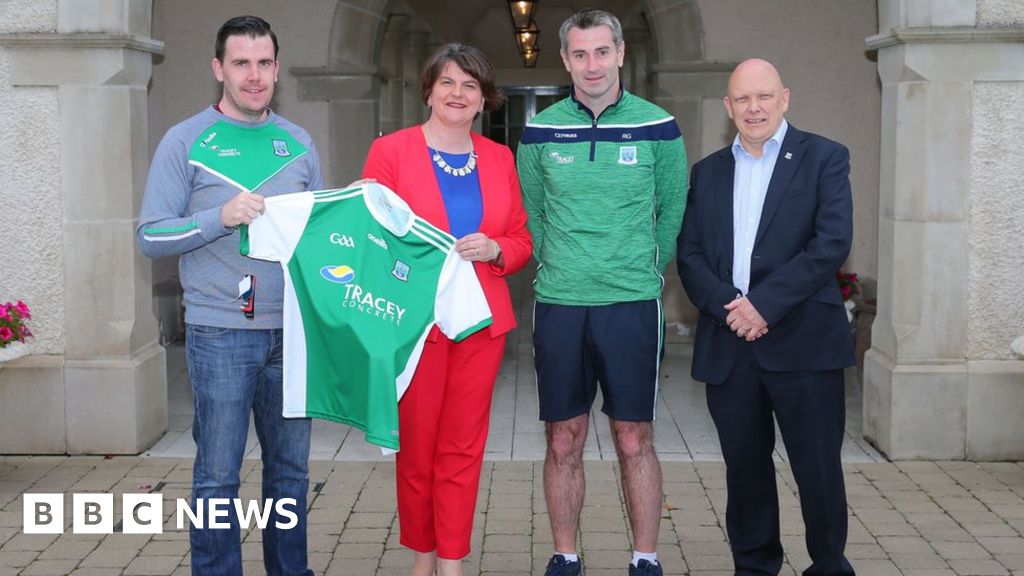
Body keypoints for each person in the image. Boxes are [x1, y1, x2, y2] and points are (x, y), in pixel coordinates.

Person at [136, 15, 322, 576]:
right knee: (218, 474)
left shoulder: (299, 143)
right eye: (241, 63)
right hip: (220, 333)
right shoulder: (186, 141)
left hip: (291, 333)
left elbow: (316, 237)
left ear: (277, 67)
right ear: (219, 68)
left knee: (289, 474)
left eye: (264, 63)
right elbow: (150, 234)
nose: (255, 75)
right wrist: (218, 216)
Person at [516, 9, 687, 576]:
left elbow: (671, 214)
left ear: (619, 53)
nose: (592, 65)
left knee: (633, 436)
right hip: (561, 304)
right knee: (562, 437)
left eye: (602, 52)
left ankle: (645, 557)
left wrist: (636, 268)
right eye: (580, 54)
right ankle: (566, 555)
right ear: (564, 60)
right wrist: (566, 263)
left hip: (632, 304)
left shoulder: (658, 126)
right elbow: (533, 214)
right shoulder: (540, 131)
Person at [677, 58, 856, 575]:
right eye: (742, 99)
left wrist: (765, 305)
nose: (753, 107)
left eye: (764, 96)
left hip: (805, 343)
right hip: (731, 346)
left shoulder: (825, 158)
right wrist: (733, 309)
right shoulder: (708, 172)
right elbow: (688, 255)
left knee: (817, 468)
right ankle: (754, 566)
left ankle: (828, 565)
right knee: (745, 469)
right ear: (728, 107)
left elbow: (831, 245)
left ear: (785, 98)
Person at [361, 43, 533, 576]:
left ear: (484, 99)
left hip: (481, 324)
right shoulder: (389, 152)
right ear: (429, 90)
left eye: (470, 86)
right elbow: (368, 237)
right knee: (416, 449)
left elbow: (523, 237)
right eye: (448, 83)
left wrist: (496, 248)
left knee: (462, 449)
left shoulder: (502, 158)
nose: (457, 94)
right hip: (414, 325)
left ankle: (453, 560)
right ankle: (422, 558)